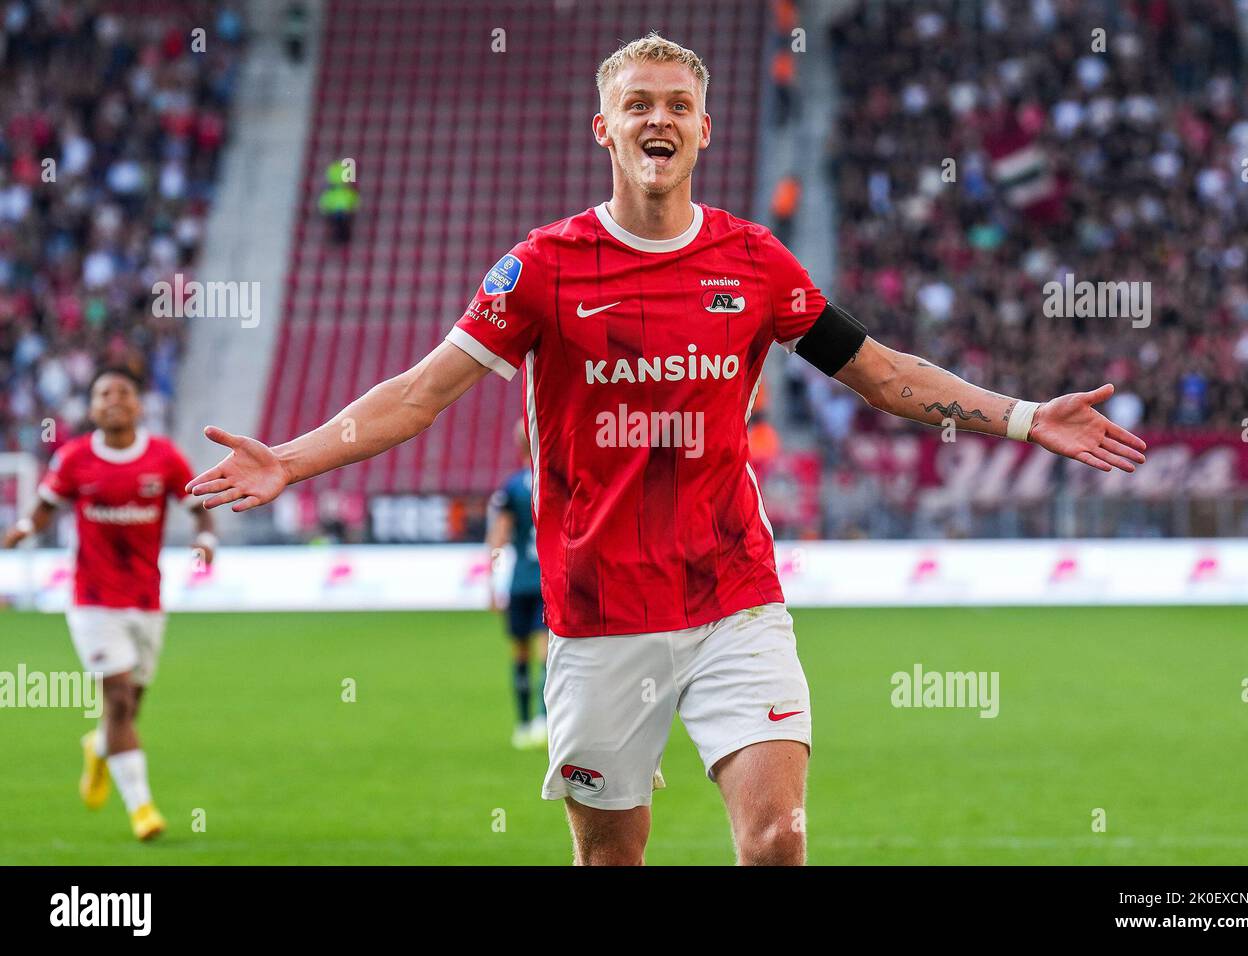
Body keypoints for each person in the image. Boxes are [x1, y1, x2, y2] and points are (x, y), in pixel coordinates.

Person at [183, 34, 1146, 865]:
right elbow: (418, 396)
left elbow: (882, 375)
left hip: (733, 595)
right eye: (636, 104)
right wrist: (290, 459)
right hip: (599, 614)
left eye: (679, 105)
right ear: (604, 129)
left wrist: (1025, 417)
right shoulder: (540, 269)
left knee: (777, 841)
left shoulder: (754, 262)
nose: (660, 119)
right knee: (613, 855)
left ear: (704, 129)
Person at [2, 368, 216, 841]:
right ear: (92, 407)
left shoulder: (164, 458)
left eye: (123, 392)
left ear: (139, 406)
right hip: (91, 599)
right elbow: (46, 505)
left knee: (130, 705)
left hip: (146, 599)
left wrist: (205, 541)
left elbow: (198, 508)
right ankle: (142, 810)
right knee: (117, 697)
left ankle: (98, 747)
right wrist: (21, 530)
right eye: (103, 393)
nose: (113, 400)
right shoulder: (75, 458)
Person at [486, 420, 548, 750]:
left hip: (519, 581)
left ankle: (523, 723)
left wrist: (490, 582)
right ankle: (542, 718)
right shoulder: (553, 480)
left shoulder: (511, 488)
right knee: (546, 652)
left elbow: (497, 538)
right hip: (547, 581)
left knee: (519, 653)